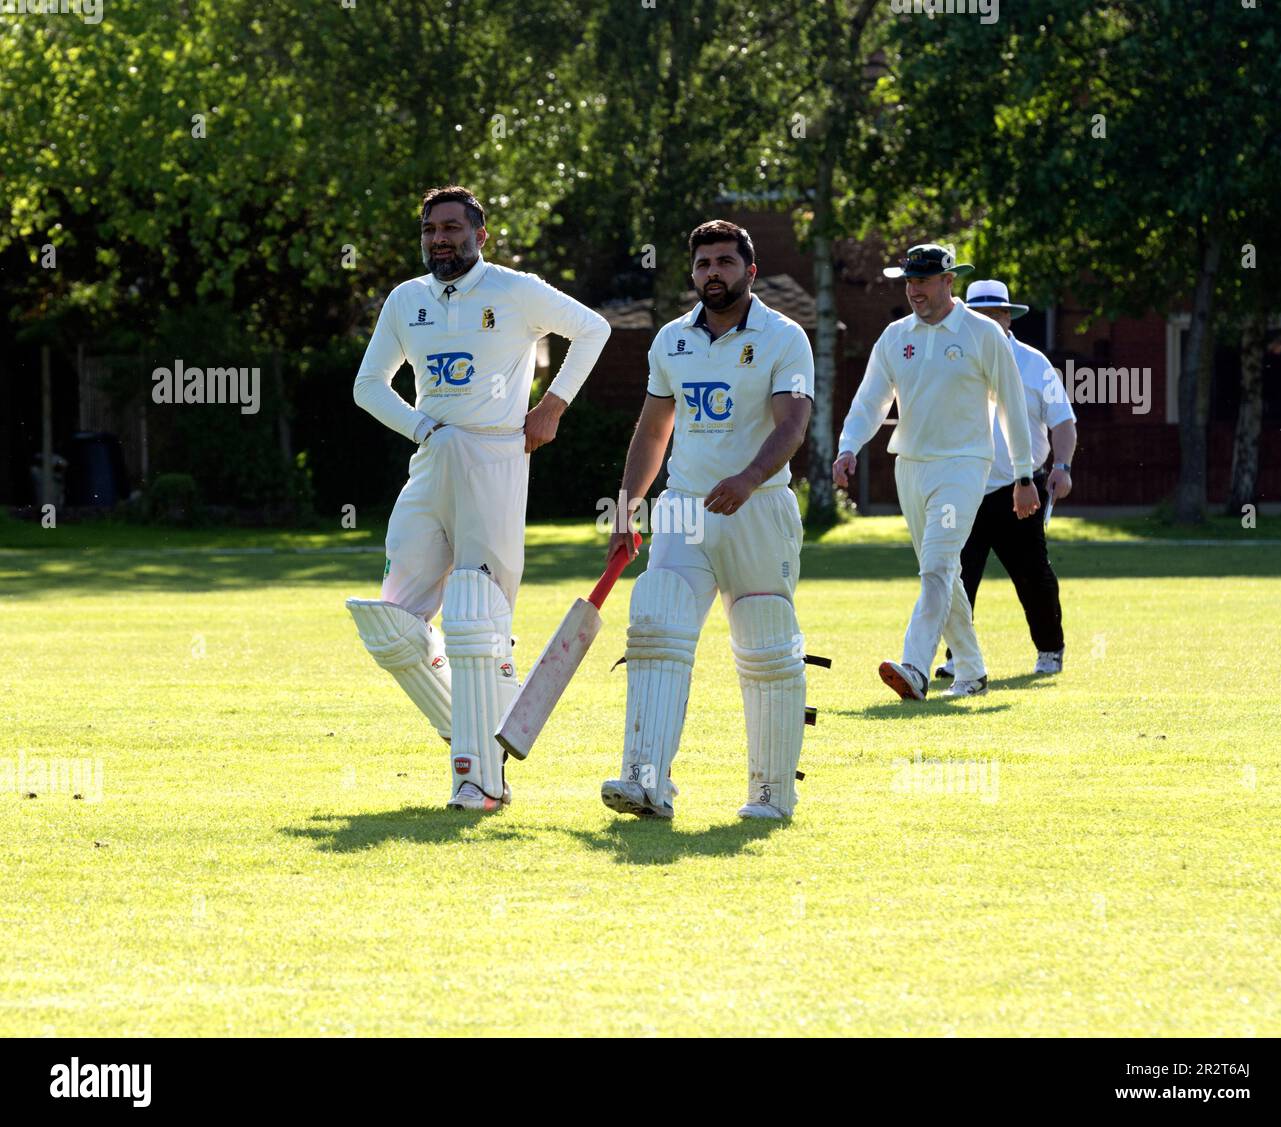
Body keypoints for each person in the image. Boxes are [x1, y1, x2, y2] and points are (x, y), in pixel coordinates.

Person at [345, 185, 611, 810]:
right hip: (433, 452)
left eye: (452, 228)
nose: (440, 238)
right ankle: (478, 728)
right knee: (391, 626)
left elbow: (593, 329)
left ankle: (480, 781)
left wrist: (551, 406)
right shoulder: (406, 299)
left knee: (473, 610)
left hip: (495, 454)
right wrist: (423, 428)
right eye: (431, 230)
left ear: (480, 235)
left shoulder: (515, 290)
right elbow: (367, 385)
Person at [601, 220, 814, 820]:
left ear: (750, 271)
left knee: (766, 643)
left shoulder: (783, 336)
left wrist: (748, 478)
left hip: (759, 509)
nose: (712, 273)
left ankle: (771, 795)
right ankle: (644, 781)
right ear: (692, 273)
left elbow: (792, 424)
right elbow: (653, 428)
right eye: (702, 264)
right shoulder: (670, 340)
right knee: (655, 622)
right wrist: (628, 504)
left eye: (724, 262)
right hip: (685, 509)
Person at [832, 243, 1037, 701]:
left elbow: (1012, 406)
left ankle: (915, 667)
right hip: (912, 465)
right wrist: (849, 447)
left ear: (949, 281)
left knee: (940, 565)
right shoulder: (894, 336)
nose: (913, 291)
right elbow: (870, 401)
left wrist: (1024, 476)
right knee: (937, 571)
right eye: (909, 282)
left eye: (922, 281)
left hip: (964, 465)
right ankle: (971, 670)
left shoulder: (984, 334)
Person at [934, 279, 1077, 678]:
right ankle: (957, 658)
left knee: (1033, 575)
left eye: (995, 313)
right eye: (978, 315)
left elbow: (1063, 421)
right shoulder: (950, 360)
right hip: (962, 486)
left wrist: (1062, 467)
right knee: (955, 578)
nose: (987, 321)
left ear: (1008, 317)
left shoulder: (1034, 363)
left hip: (1020, 488)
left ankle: (1050, 650)